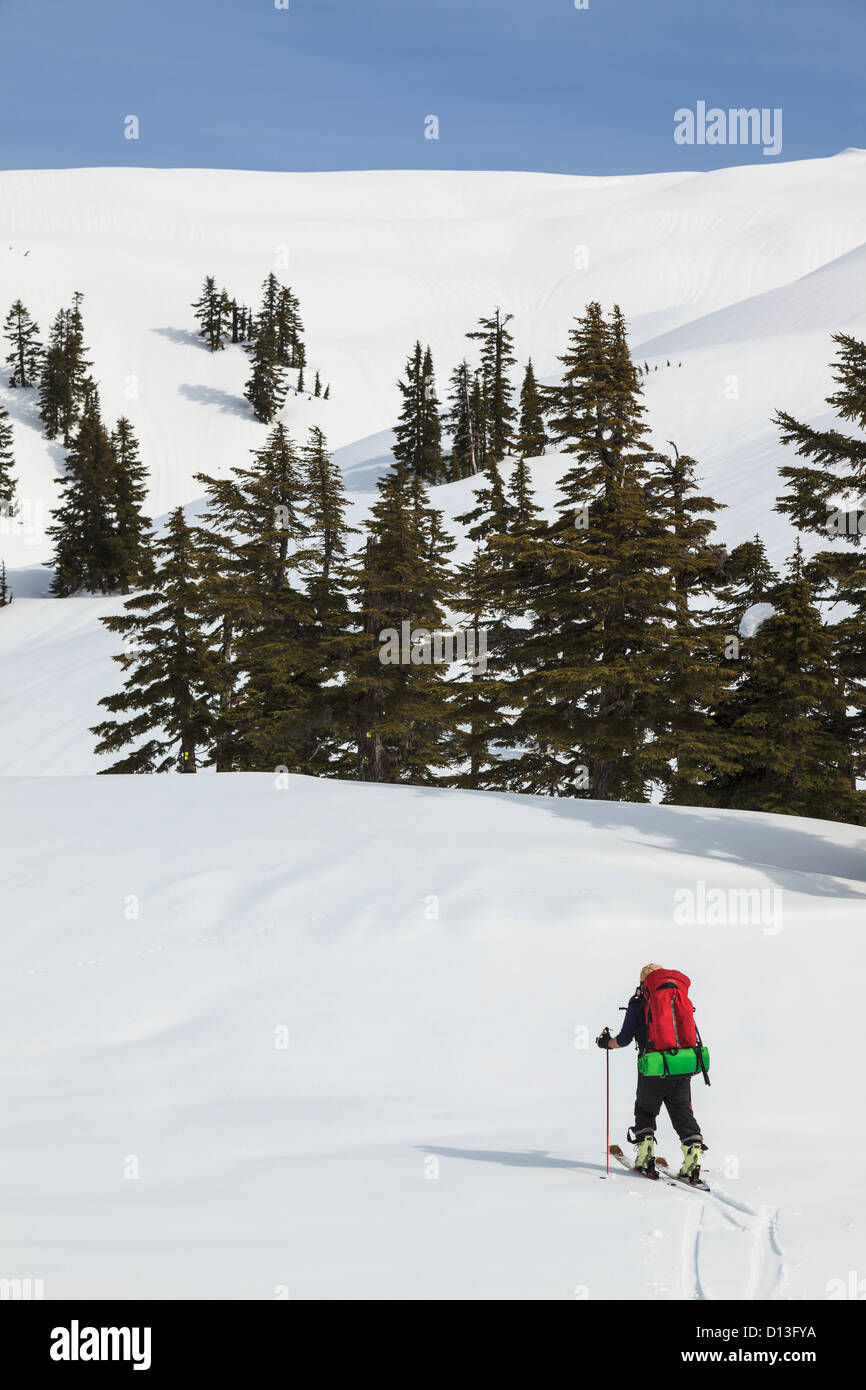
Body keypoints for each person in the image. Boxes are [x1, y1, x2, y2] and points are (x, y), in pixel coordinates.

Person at [596, 962, 707, 1181]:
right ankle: (693, 1158)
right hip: (681, 1065)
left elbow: (625, 1039)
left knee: (645, 1110)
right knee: (683, 1112)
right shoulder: (678, 998)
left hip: (653, 1067)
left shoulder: (639, 1003)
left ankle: (645, 1159)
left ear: (643, 982)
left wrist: (606, 1043)